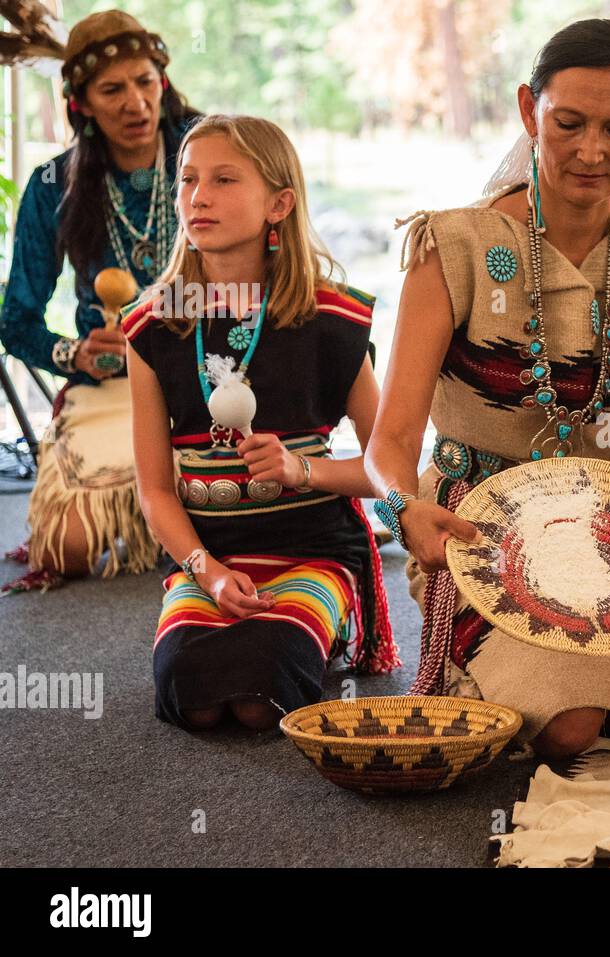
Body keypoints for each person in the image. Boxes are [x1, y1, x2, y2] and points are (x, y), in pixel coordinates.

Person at [366, 19, 610, 759]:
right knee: (568, 724)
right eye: (568, 123)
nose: (592, 151)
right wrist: (401, 506)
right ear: (528, 111)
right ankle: (481, 671)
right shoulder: (453, 245)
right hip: (480, 539)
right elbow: (393, 437)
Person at [125, 114, 396, 731]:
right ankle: (252, 622)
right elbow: (155, 489)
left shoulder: (329, 317)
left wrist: (304, 470)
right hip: (208, 557)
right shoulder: (152, 326)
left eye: (224, 179)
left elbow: (390, 466)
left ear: (280, 203)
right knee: (188, 696)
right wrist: (209, 574)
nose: (199, 196)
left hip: (313, 552)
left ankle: (319, 623)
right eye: (189, 180)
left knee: (260, 698)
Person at [0, 10, 202, 591]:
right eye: (112, 89)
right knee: (65, 549)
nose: (135, 103)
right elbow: (16, 322)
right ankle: (162, 506)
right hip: (114, 385)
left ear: (162, 82)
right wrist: (76, 354)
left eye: (145, 82)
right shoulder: (53, 185)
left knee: (263, 510)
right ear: (82, 102)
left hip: (215, 374)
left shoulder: (210, 153)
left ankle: (173, 506)